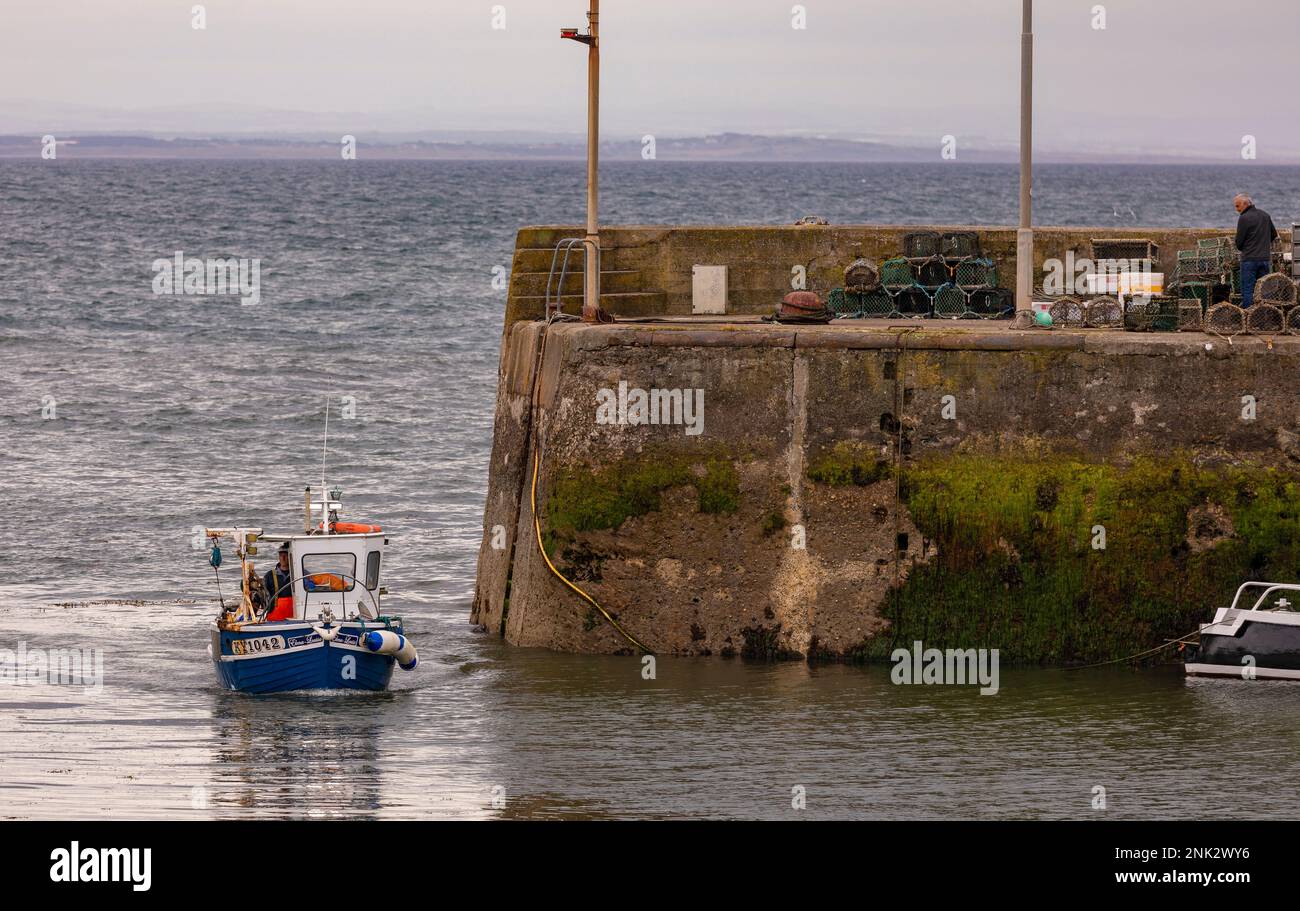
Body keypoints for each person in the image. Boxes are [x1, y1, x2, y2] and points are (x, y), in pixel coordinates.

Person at [1234, 194, 1278, 308]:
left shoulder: (1244, 218)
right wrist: (1262, 244)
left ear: (1245, 204)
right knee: (1264, 290)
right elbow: (1274, 234)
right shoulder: (1265, 215)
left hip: (1249, 260)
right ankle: (1264, 316)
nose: (1237, 209)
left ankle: (1249, 318)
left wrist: (1247, 246)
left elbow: (1239, 243)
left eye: (1238, 206)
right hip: (1264, 259)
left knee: (1248, 290)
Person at [262, 542, 295, 620]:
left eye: (286, 555)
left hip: (295, 617)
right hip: (274, 619)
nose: (283, 558)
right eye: (281, 555)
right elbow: (262, 596)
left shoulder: (298, 573)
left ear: (290, 556)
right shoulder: (269, 576)